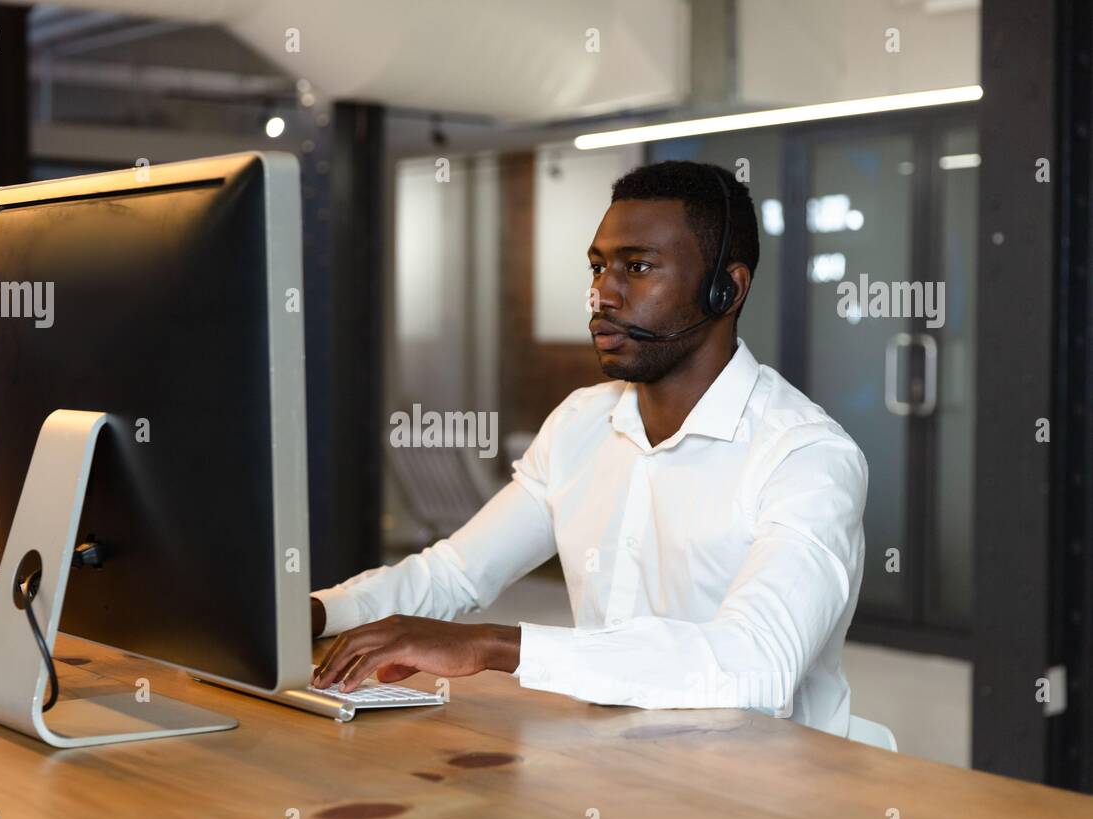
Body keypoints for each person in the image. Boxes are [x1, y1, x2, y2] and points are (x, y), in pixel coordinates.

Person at [310, 160, 867, 736]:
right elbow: (453, 576)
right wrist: (316, 612)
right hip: (607, 767)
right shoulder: (580, 423)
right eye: (598, 268)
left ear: (727, 289)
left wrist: (496, 646)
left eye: (638, 267)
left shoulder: (806, 456)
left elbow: (755, 665)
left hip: (765, 797)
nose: (602, 294)